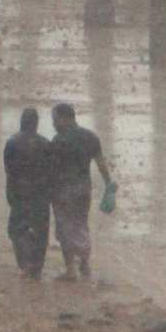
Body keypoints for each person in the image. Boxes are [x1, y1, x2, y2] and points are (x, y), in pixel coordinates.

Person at [47, 99, 113, 281]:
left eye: (55, 120)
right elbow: (101, 164)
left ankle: (70, 270)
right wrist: (109, 184)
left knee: (64, 228)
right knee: (81, 224)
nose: (53, 124)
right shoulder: (91, 137)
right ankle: (84, 263)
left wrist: (46, 191)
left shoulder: (58, 140)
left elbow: (51, 169)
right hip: (84, 188)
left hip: (63, 190)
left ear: (65, 118)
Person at [3, 104, 56, 281]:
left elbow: (9, 171)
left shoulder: (12, 142)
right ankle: (37, 268)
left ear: (22, 122)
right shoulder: (46, 143)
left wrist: (10, 193)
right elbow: (51, 171)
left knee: (16, 229)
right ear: (36, 123)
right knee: (41, 230)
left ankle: (25, 264)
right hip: (41, 193)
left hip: (20, 192)